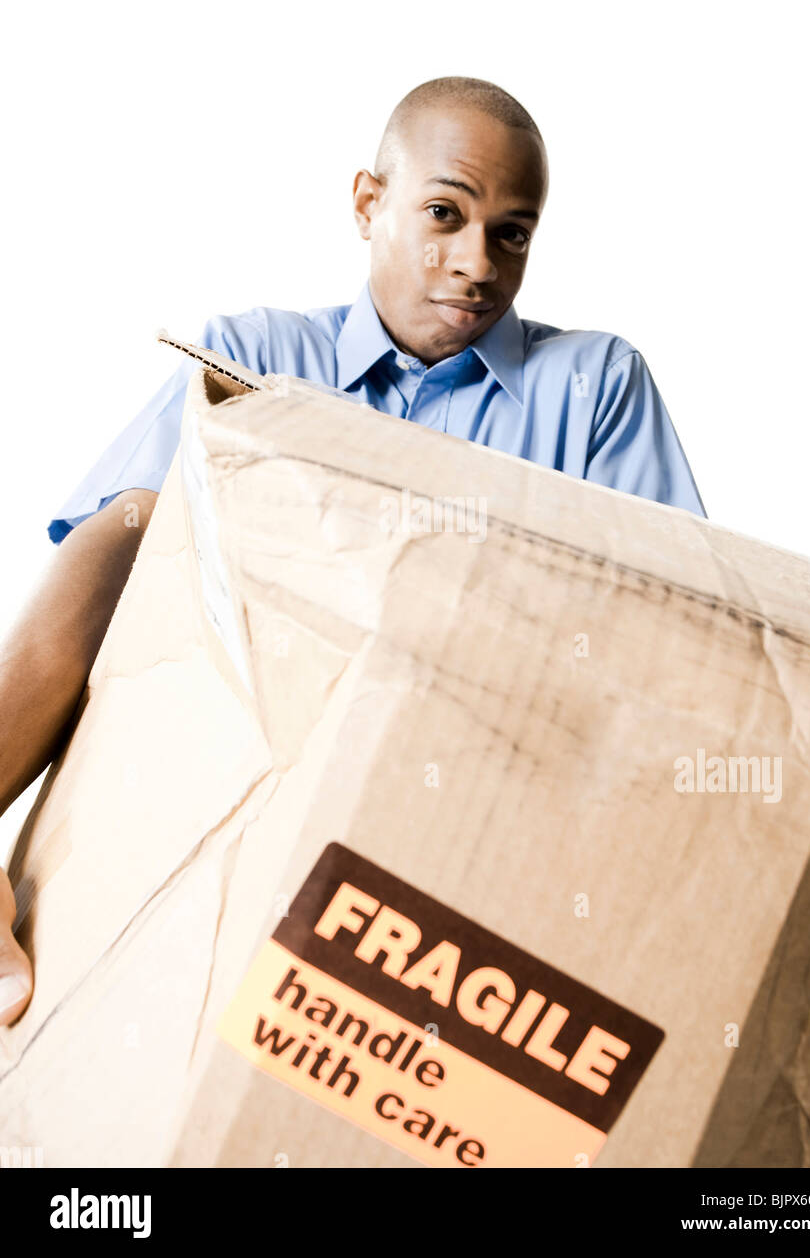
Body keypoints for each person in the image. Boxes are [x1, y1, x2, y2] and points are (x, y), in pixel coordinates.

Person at [0, 75, 705, 1024]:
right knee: (120, 540)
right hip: (231, 810)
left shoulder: (594, 386)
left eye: (512, 233)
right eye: (444, 214)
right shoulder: (255, 359)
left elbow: (680, 642)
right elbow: (113, 559)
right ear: (370, 204)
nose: (475, 263)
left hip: (479, 845)